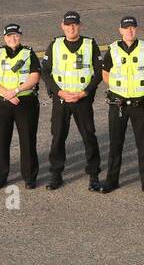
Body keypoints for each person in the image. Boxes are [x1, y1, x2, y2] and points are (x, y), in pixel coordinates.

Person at [39, 11, 102, 191]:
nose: (71, 27)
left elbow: (99, 72)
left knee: (89, 136)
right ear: (62, 26)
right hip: (62, 100)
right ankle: (56, 175)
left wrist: (85, 92)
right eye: (68, 24)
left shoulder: (90, 45)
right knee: (58, 137)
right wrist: (58, 92)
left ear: (80, 25)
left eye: (74, 24)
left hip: (82, 99)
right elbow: (45, 71)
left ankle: (94, 175)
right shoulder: (55, 45)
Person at [100, 15, 144, 196]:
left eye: (132, 27)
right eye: (126, 28)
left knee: (143, 145)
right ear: (120, 30)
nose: (129, 31)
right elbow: (105, 73)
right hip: (118, 103)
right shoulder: (113, 50)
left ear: (137, 29)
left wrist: (140, 88)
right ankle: (112, 180)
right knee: (115, 144)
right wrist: (118, 89)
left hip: (140, 104)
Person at [0, 23, 42, 189]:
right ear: (4, 38)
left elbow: (34, 77)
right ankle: (0, 177)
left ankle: (30, 178)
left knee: (28, 141)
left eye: (15, 35)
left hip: (25, 103)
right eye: (9, 36)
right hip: (1, 104)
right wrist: (5, 93)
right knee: (1, 141)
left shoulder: (29, 53)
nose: (12, 38)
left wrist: (15, 91)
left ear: (20, 36)